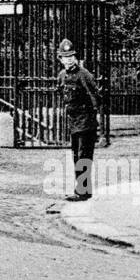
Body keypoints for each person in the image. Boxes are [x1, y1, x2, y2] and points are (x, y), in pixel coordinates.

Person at [57, 39, 100, 201]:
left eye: (71, 57)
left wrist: (91, 117)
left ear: (75, 58)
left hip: (86, 122)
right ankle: (83, 189)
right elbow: (61, 94)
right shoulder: (62, 76)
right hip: (73, 122)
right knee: (76, 156)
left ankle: (82, 191)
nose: (68, 60)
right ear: (60, 59)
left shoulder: (84, 75)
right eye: (64, 57)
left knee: (83, 156)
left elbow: (95, 97)